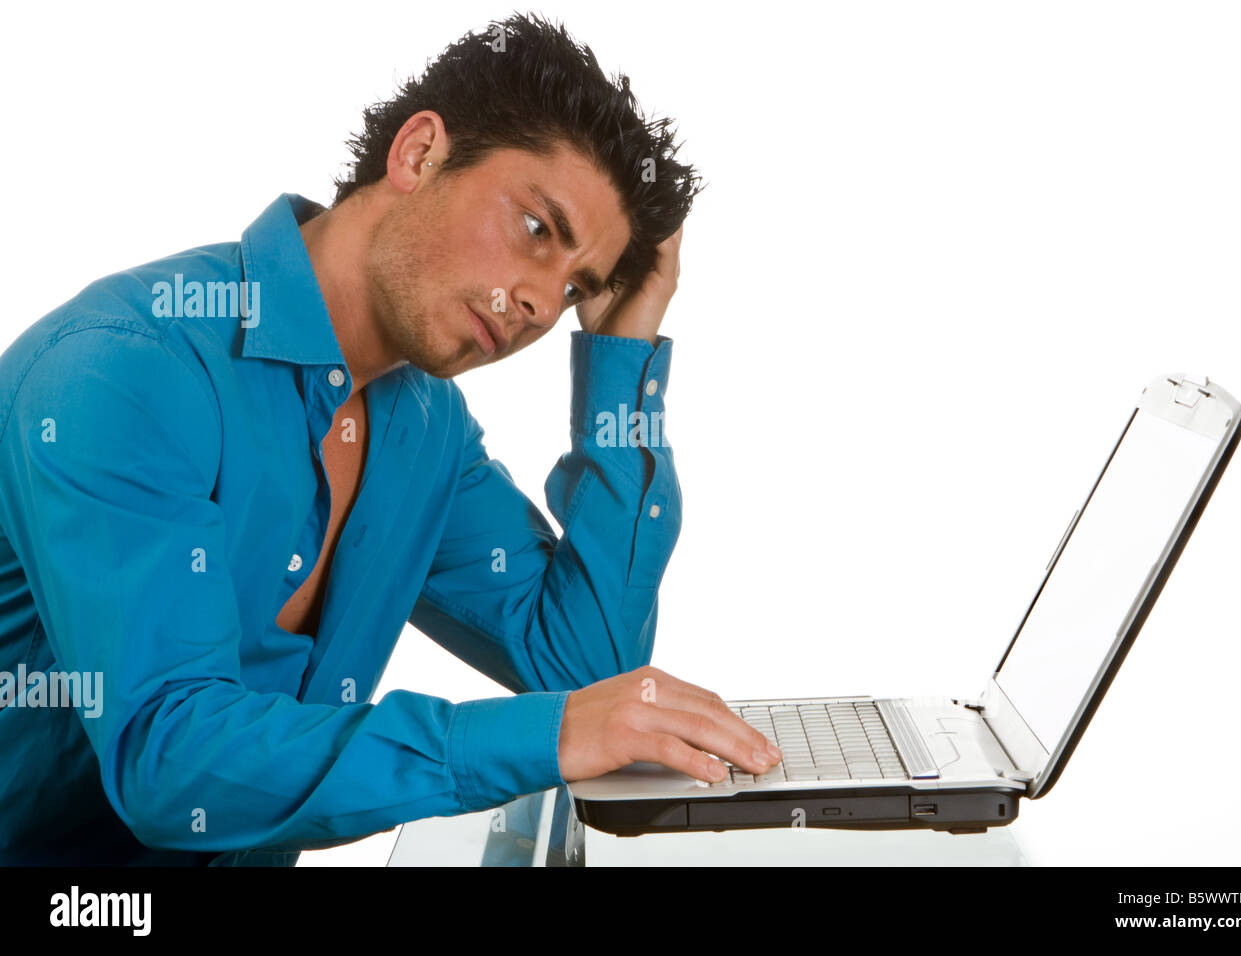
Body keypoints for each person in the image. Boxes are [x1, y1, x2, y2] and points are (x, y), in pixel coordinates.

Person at [0, 12, 780, 866]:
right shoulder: (126, 372)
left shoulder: (423, 428)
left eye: (574, 287)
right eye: (535, 230)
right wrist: (533, 738)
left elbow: (584, 663)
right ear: (418, 153)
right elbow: (172, 759)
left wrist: (622, 352)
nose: (539, 304)